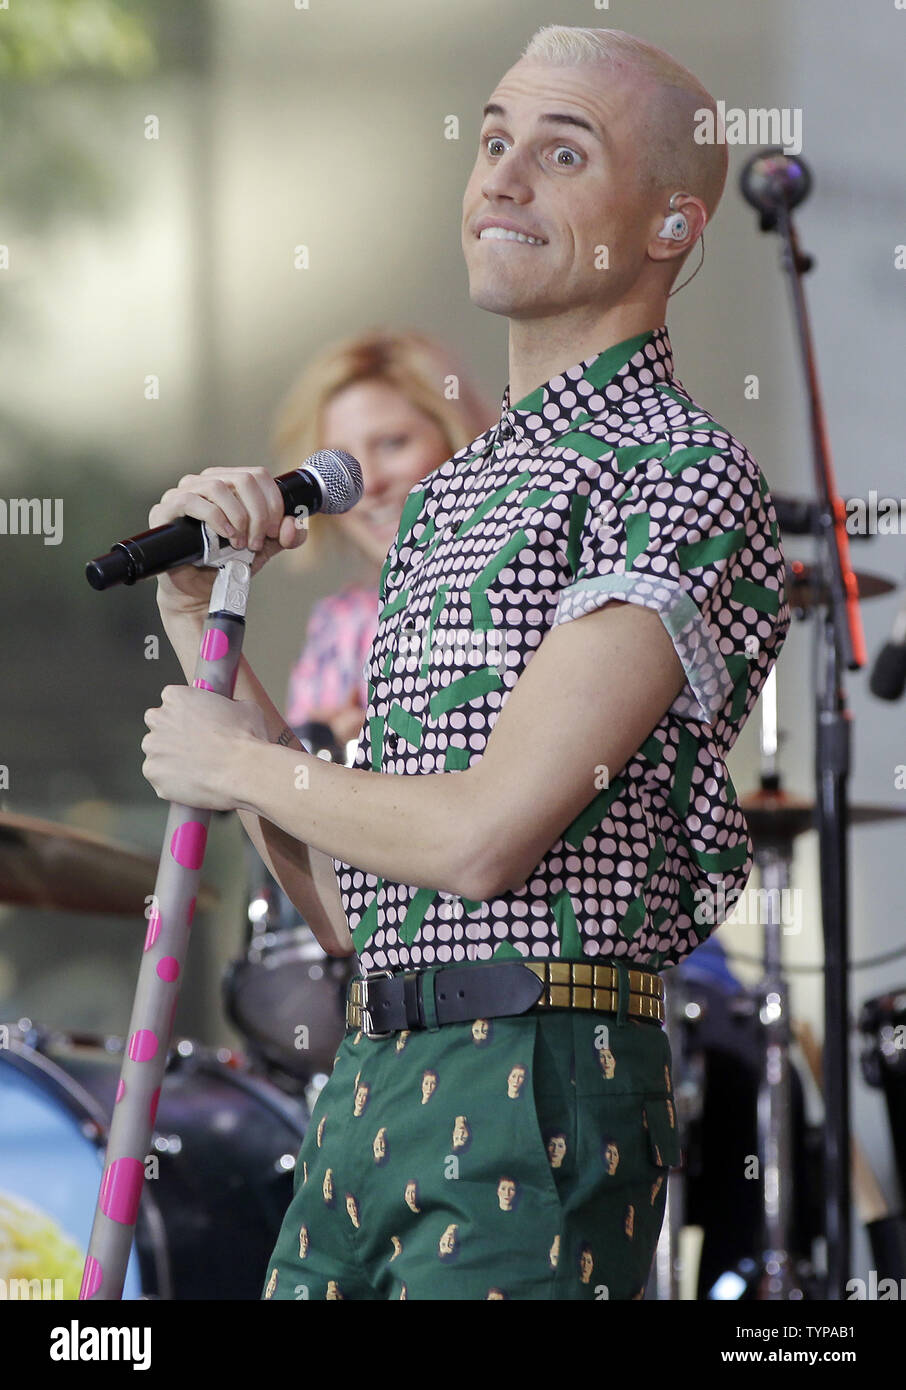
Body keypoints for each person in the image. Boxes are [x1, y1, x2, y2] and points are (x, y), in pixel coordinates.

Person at [140, 24, 790, 1300]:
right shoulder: (452, 501)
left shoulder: (678, 471)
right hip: (370, 1080)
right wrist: (198, 612)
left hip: (537, 1083)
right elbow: (352, 902)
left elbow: (485, 838)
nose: (499, 176)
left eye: (561, 150)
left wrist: (242, 768)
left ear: (669, 227)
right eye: (493, 141)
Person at [273, 330, 494, 750]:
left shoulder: (518, 588)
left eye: (392, 444)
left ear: (457, 438)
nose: (368, 483)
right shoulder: (335, 624)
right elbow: (279, 805)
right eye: (339, 463)